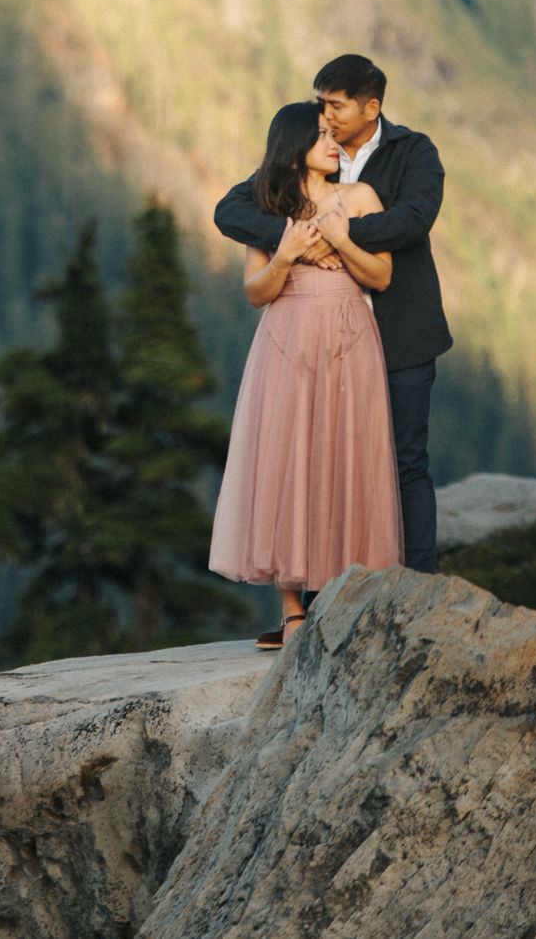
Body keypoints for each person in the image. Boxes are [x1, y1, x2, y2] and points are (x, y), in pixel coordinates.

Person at [214, 56, 453, 587]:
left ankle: (414, 592)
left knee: (403, 463)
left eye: (336, 105)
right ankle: (319, 599)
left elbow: (413, 220)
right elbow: (231, 210)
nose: (326, 114)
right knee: (319, 462)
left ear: (372, 108)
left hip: (401, 334)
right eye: (321, 104)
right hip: (316, 338)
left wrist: (342, 236)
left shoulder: (412, 152)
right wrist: (295, 237)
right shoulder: (307, 152)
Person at [206, 101, 403, 649]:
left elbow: (381, 276)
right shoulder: (272, 209)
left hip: (348, 336)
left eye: (333, 134)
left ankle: (349, 598)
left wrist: (342, 241)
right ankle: (292, 608)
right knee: (289, 459)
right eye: (321, 135)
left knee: (349, 456)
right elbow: (255, 291)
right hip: (287, 337)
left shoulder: (359, 198)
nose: (334, 143)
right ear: (294, 147)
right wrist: (287, 254)